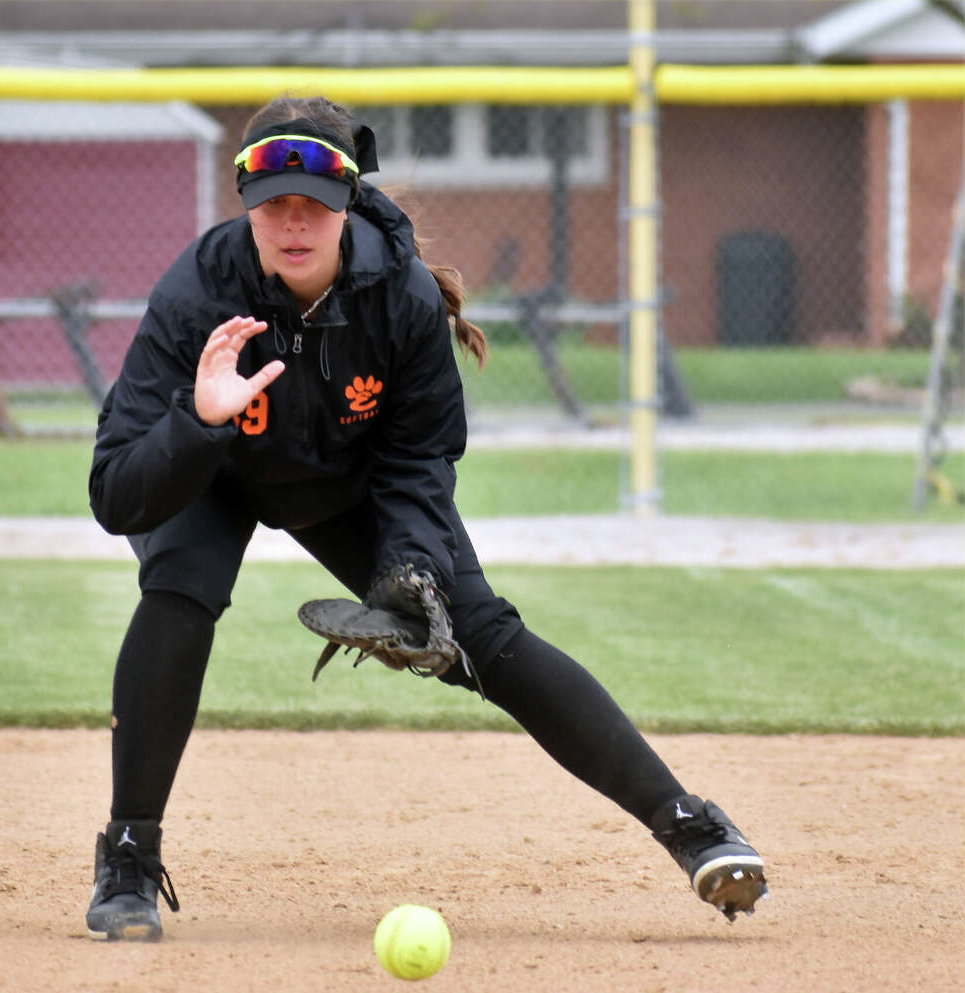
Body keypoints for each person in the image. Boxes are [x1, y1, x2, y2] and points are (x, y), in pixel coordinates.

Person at [84, 95, 768, 941]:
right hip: (215, 465)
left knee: (484, 631)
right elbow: (116, 493)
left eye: (315, 205)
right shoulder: (196, 295)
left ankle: (691, 823)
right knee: (179, 592)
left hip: (347, 482)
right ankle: (127, 855)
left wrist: (408, 569)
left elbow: (418, 459)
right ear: (246, 205)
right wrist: (200, 423)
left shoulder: (397, 297)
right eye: (273, 205)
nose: (293, 222)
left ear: (346, 206)